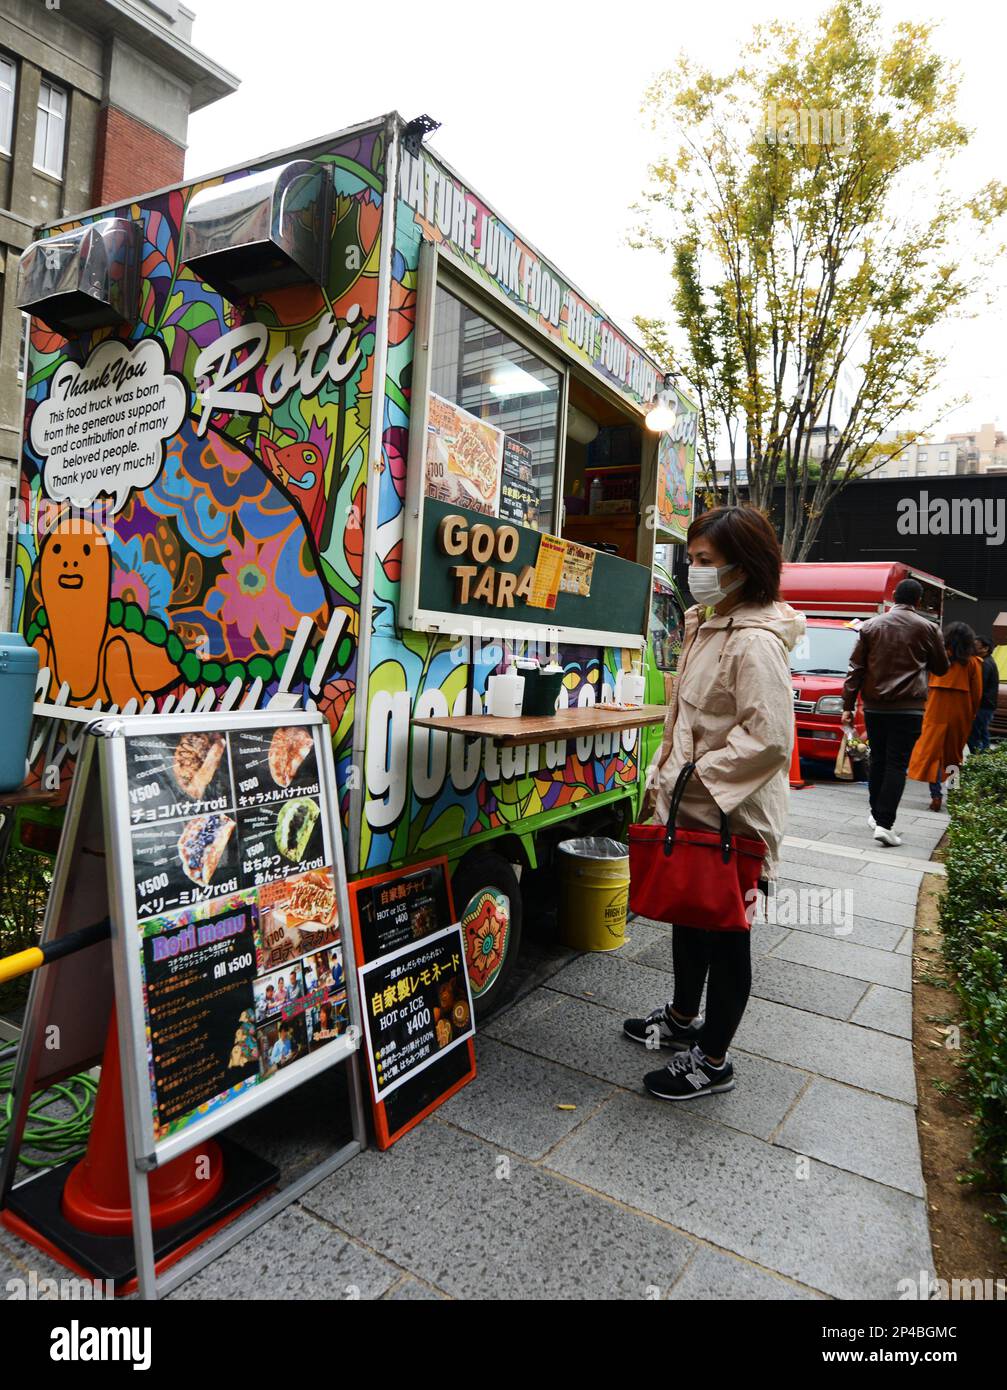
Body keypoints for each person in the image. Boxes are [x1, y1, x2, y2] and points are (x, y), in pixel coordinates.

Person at [624, 505, 804, 1101]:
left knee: (729, 932)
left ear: (742, 567)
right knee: (690, 914)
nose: (693, 570)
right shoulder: (709, 622)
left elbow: (770, 738)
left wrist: (696, 776)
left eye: (706, 561)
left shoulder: (753, 642)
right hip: (697, 806)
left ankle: (714, 1059)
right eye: (692, 558)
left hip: (735, 816)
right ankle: (680, 1021)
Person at [841, 578, 949, 846]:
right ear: (919, 601)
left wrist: (847, 705)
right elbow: (941, 667)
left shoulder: (871, 626)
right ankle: (885, 824)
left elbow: (856, 669)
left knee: (878, 759)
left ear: (894, 596)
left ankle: (876, 815)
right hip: (909, 707)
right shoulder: (928, 628)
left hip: (875, 706)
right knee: (896, 764)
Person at [908, 622, 983, 810]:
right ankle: (954, 794)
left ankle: (935, 796)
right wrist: (971, 714)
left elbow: (923, 684)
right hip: (960, 712)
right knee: (953, 755)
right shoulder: (972, 663)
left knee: (933, 753)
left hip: (934, 709)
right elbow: (977, 693)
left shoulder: (937, 660)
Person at [967, 636, 999, 753]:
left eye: (976, 646)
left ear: (985, 648)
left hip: (982, 705)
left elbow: (979, 686)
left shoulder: (984, 664)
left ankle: (977, 757)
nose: (972, 648)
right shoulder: (987, 661)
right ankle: (984, 756)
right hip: (987, 705)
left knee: (974, 734)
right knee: (982, 731)